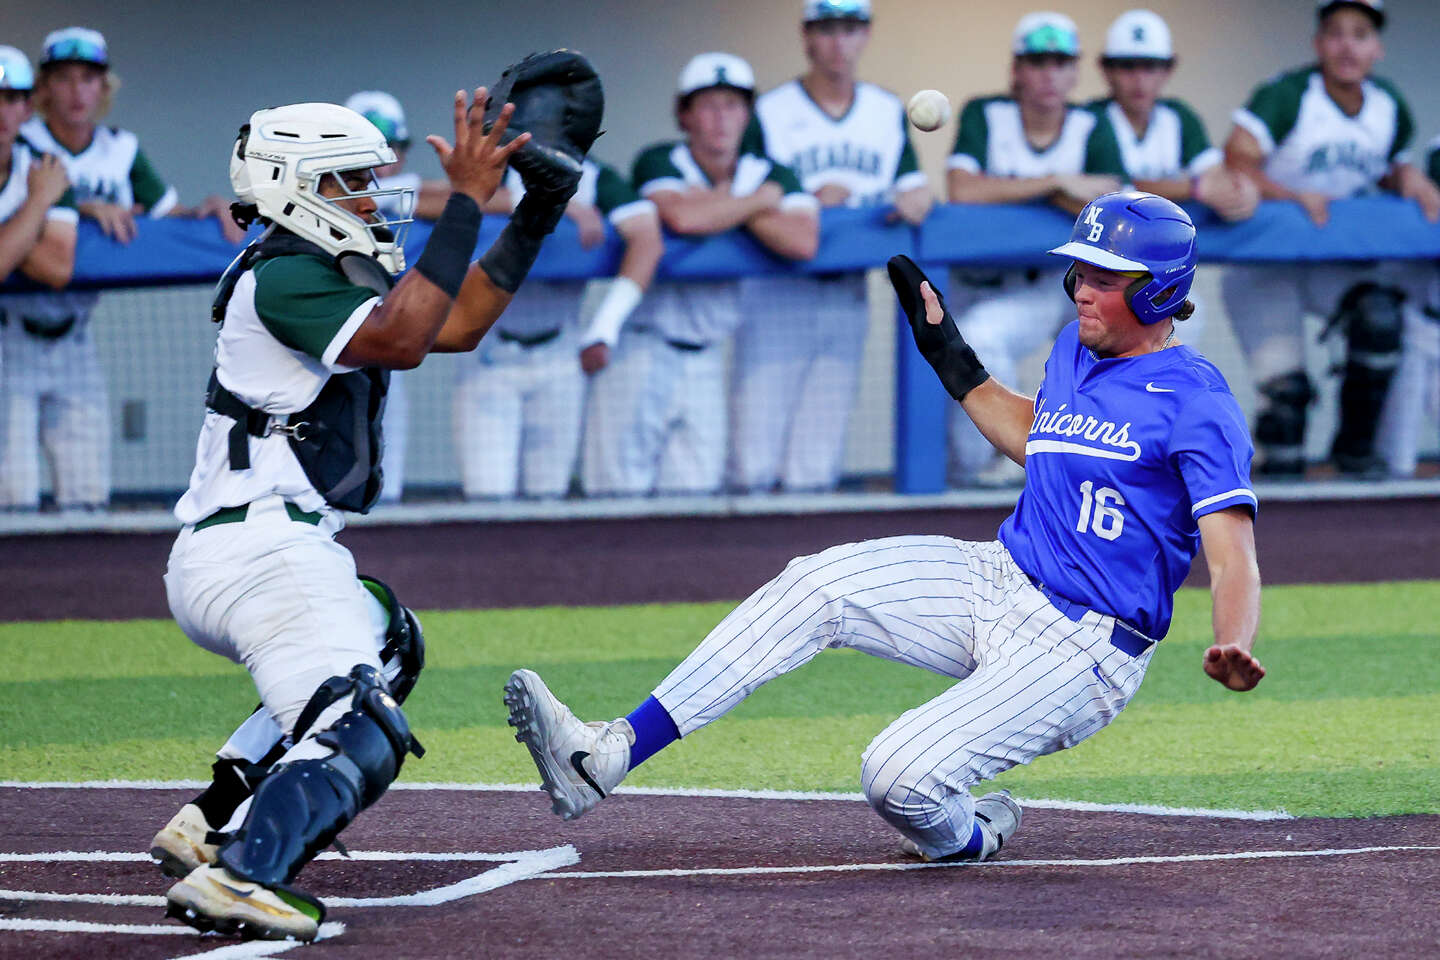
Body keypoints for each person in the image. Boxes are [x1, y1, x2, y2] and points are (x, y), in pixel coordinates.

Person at [506, 191, 1266, 867]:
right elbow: (1042, 436)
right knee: (814, 584)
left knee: (895, 775)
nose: (1082, 292)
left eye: (1105, 278)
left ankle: (968, 834)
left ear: (1160, 288)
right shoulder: (1075, 350)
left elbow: (1233, 555)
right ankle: (607, 754)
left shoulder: (1197, 401)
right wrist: (951, 356)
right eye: (1081, 273)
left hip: (1085, 649)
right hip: (999, 577)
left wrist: (1233, 638)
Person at [152, 54, 598, 939]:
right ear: (294, 185)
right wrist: (469, 196)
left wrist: (535, 210)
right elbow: (401, 337)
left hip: (266, 546)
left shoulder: (323, 268)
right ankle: (246, 875)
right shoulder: (284, 271)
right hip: (257, 550)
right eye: (349, 180)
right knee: (360, 722)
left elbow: (455, 324)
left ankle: (211, 826)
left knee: (388, 640)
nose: (367, 195)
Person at [2, 27, 228, 511]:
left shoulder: (120, 149)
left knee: (87, 495)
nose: (77, 91)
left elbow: (166, 217)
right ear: (42, 90)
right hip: (10, 333)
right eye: (63, 79)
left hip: (76, 336)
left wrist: (207, 209)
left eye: (88, 78)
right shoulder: (22, 144)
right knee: (11, 497)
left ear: (104, 87)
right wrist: (83, 209)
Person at [1220, 0, 1440, 477]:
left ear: (1377, 48)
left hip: (1330, 264)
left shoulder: (1388, 106)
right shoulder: (1289, 95)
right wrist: (1290, 195)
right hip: (1265, 270)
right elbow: (1235, 160)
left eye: (1360, 34)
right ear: (1319, 43)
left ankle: (1354, 454)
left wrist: (1411, 180)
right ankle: (1282, 526)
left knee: (1380, 319)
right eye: (1336, 33)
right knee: (1286, 403)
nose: (1347, 45)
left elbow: (1389, 167)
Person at [582, 52, 818, 496]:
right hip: (643, 349)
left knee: (695, 501)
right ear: (684, 114)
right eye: (708, 105)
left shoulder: (771, 172)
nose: (721, 119)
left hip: (709, 357)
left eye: (732, 105)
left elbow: (803, 241)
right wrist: (755, 203)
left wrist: (723, 206)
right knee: (614, 497)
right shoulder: (659, 160)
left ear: (748, 113)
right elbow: (684, 219)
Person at [730, 0, 932, 493]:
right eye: (827, 29)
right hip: (775, 291)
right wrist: (803, 201)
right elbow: (740, 197)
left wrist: (917, 197)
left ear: (865, 35)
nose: (839, 42)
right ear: (807, 37)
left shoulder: (886, 111)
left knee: (815, 465)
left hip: (846, 295)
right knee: (751, 460)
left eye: (849, 28)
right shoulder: (770, 112)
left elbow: (915, 190)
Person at [945, 11, 1124, 487]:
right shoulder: (986, 112)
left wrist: (1021, 188)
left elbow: (1111, 196)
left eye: (1061, 62)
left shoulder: (1092, 122)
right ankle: (977, 478)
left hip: (1049, 283)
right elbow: (962, 189)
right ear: (1016, 70)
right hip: (974, 279)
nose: (1049, 73)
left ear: (1075, 71)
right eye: (1038, 61)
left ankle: (1021, 463)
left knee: (984, 338)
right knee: (961, 436)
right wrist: (1054, 183)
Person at [452, 160, 662, 498]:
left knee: (548, 496)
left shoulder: (595, 177)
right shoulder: (495, 166)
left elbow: (647, 237)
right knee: (486, 495)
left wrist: (604, 328)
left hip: (560, 352)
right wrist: (556, 203)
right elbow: (439, 200)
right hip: (491, 354)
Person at [343, 91, 450, 504]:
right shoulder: (309, 199)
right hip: (322, 353)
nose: (384, 163)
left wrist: (409, 192)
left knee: (385, 484)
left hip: (384, 355)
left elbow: (483, 198)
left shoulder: (414, 198)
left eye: (393, 150)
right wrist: (407, 192)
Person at [1085, 9, 1257, 223]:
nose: (1140, 80)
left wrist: (1239, 190)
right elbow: (1114, 189)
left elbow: (1214, 174)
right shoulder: (1089, 119)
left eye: (1150, 66)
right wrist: (1195, 189)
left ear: (1169, 69)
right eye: (1127, 66)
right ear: (1107, 70)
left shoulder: (1178, 115)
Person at [0, 44, 76, 301]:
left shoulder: (47, 169)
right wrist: (38, 201)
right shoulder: (44, 187)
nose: (1, 111)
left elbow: (58, 269)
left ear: (28, 108)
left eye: (10, 99)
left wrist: (8, 239)